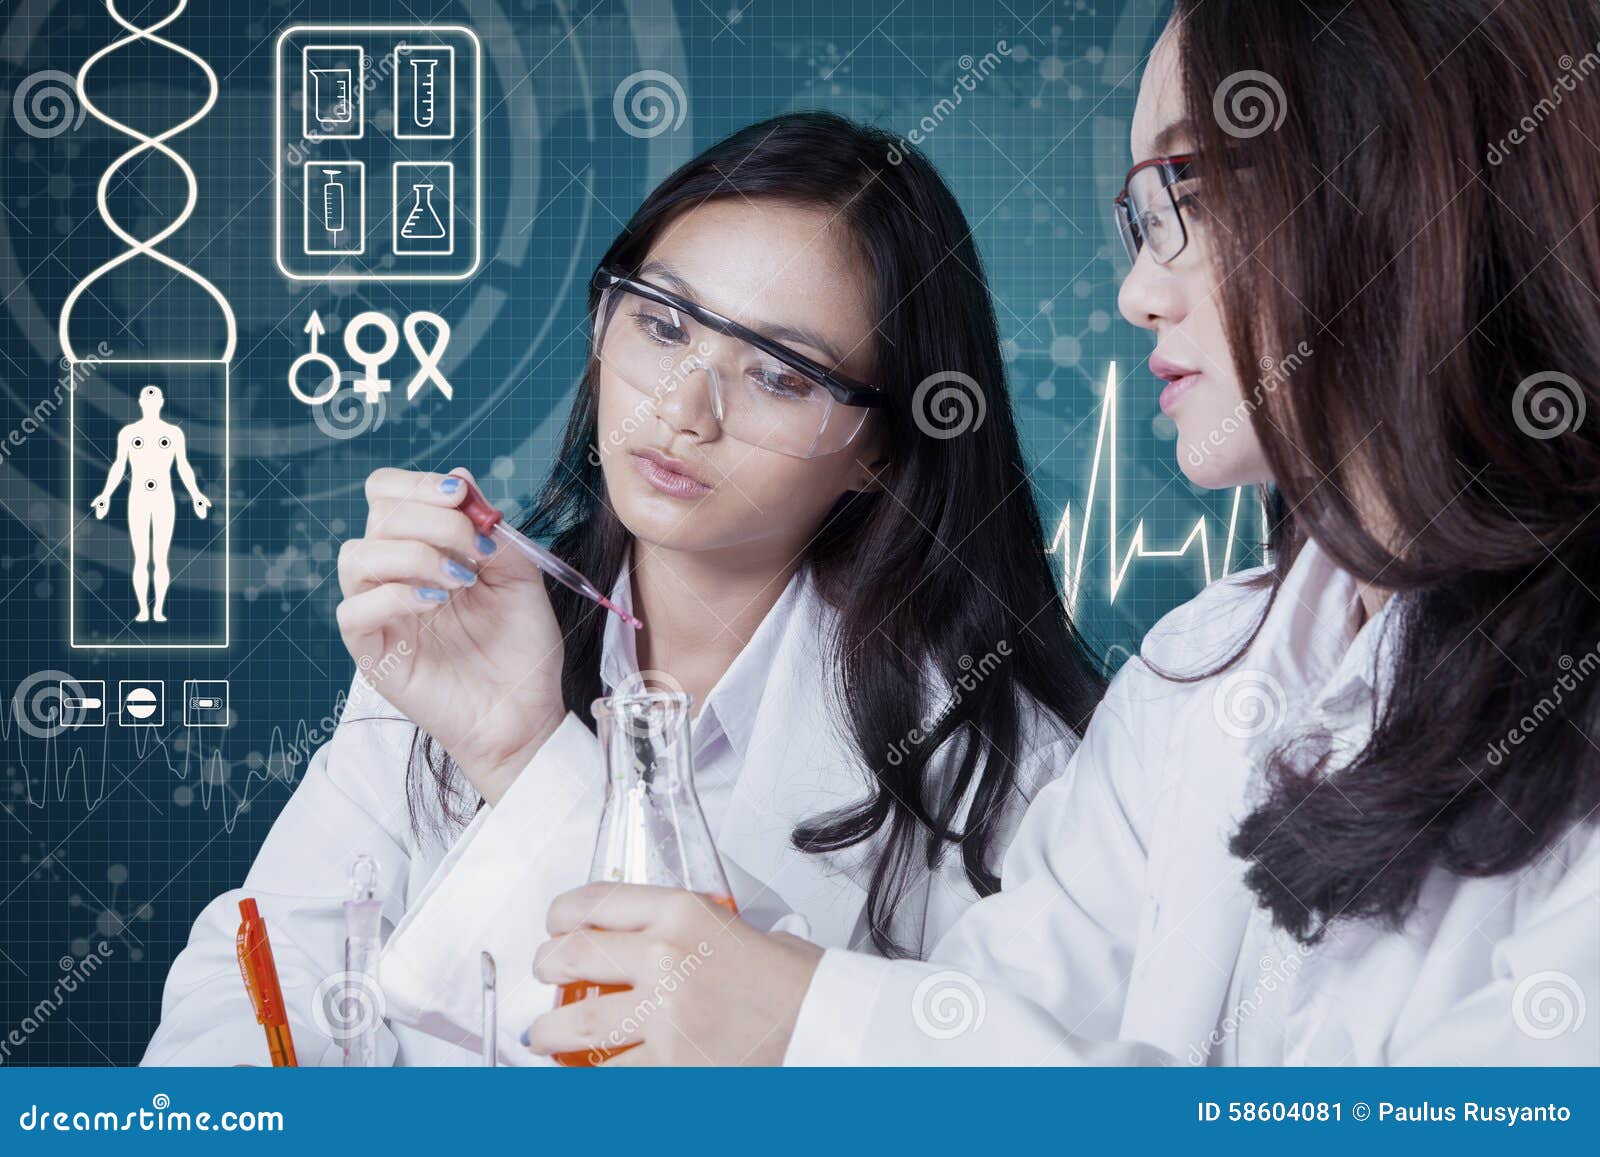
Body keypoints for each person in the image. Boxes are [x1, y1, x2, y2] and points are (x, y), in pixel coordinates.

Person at [523, 0, 1600, 1066]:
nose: (1137, 291)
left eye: (1194, 191)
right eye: (1140, 214)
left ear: (1407, 184)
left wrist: (809, 1024)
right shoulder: (1194, 681)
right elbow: (985, 1019)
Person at [142, 112, 1105, 1065]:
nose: (682, 409)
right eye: (662, 322)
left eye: (781, 374)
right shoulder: (460, 623)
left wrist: (524, 757)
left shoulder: (999, 772)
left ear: (878, 450)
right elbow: (266, 965)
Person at [90, 384, 211, 623]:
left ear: (162, 402)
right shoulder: (128, 433)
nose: (151, 402)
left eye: (155, 399)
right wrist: (105, 495)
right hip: (138, 499)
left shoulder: (174, 434)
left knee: (161, 558)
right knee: (141, 558)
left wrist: (196, 494)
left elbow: (183, 466)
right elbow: (118, 466)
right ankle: (143, 610)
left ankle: (159, 610)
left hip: (164, 499)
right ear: (141, 403)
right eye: (147, 398)